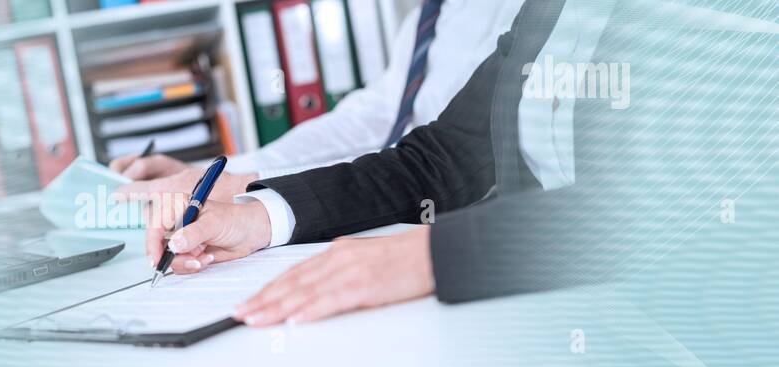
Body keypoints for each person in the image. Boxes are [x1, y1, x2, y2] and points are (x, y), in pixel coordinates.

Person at [148, 0, 646, 326]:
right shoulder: (549, 9)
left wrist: (429, 255)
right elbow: (442, 159)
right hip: (547, 311)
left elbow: (660, 204)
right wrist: (258, 215)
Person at [111, 0, 526, 205]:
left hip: (449, 215)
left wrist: (252, 184)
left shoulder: (523, 15)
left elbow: (444, 157)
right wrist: (220, 174)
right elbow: (373, 117)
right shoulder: (431, 12)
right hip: (386, 201)